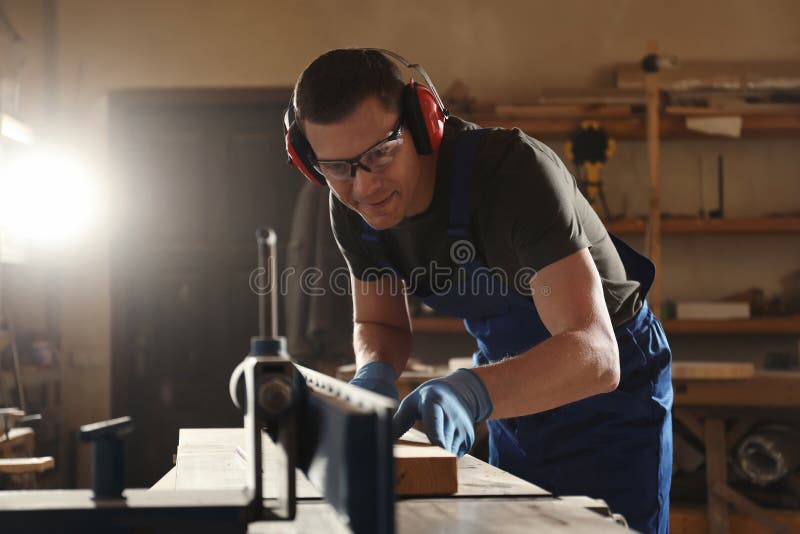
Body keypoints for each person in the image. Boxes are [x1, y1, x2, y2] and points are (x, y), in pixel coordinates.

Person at [284, 48, 672, 534]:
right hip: (511, 393)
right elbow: (378, 322)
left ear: (424, 124)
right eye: (337, 167)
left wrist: (472, 392)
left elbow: (595, 354)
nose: (363, 185)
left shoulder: (513, 175)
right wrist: (374, 376)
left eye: (380, 154)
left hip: (610, 402)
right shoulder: (351, 208)